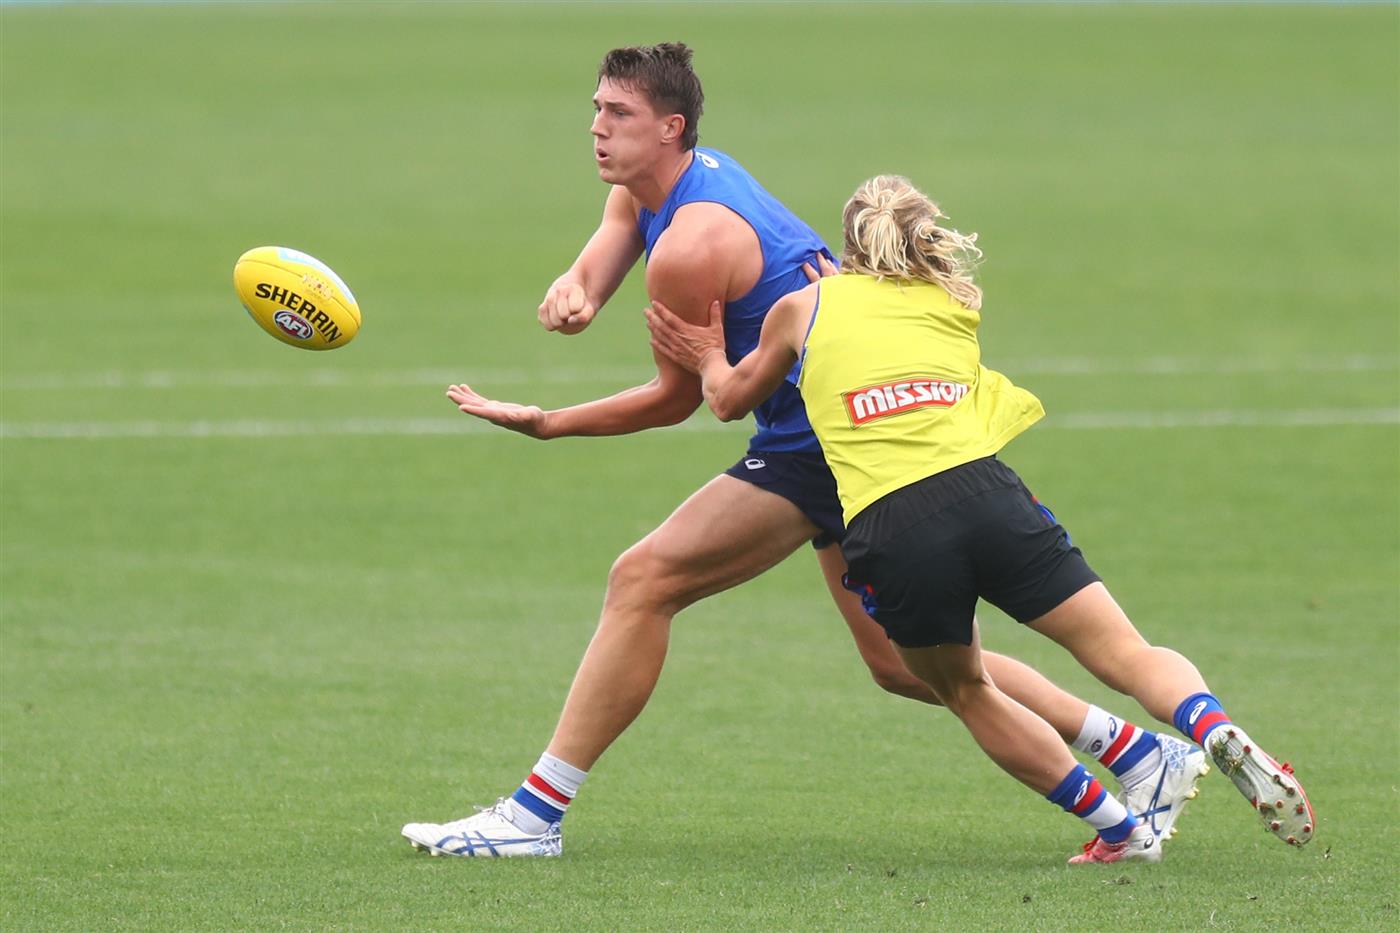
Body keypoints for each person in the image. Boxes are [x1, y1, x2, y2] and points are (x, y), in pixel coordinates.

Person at [402, 43, 1204, 861]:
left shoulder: (690, 243)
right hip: (842, 428)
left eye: (619, 115)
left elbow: (683, 399)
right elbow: (613, 232)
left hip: (816, 442)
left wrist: (550, 423)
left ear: (670, 129)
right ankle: (1144, 754)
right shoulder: (677, 180)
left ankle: (535, 815)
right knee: (900, 664)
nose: (597, 129)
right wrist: (578, 287)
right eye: (597, 109)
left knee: (643, 580)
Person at [644, 173, 1316, 863]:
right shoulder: (953, 301)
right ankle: (1212, 725)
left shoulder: (802, 306)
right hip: (989, 494)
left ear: (848, 245)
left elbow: (726, 399)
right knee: (1127, 653)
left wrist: (706, 353)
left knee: (966, 688)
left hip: (892, 525)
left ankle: (1121, 829)